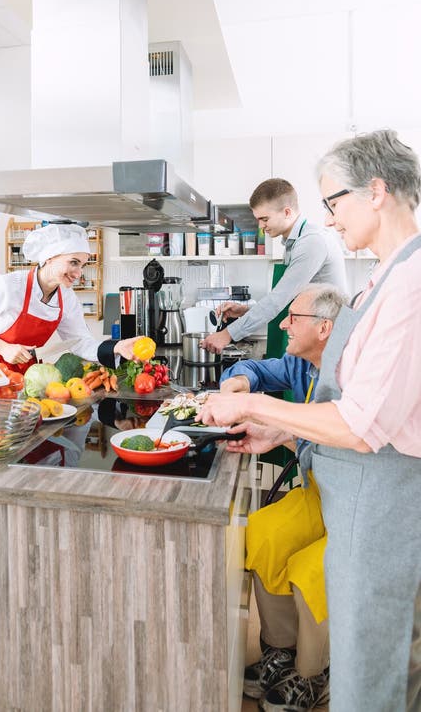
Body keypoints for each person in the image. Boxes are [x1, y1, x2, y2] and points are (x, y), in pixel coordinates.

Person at [198, 130, 421, 712]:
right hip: (354, 500)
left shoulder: (411, 284)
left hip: (381, 504)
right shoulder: (382, 277)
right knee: (358, 660)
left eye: (333, 202)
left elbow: (361, 426)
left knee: (376, 670)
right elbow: (364, 404)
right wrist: (286, 430)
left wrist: (250, 405)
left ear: (376, 191)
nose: (328, 218)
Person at [220, 283, 346, 712]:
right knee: (264, 530)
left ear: (325, 328)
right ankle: (281, 653)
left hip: (354, 502)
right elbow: (258, 371)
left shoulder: (351, 374)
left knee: (311, 567)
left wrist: (281, 432)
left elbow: (347, 441)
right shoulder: (301, 366)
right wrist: (236, 384)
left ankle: (315, 674)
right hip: (318, 491)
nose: (283, 324)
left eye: (295, 317)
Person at [0, 223, 140, 376]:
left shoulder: (67, 298)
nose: (79, 273)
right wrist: (3, 348)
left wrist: (117, 347)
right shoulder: (8, 286)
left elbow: (79, 342)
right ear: (49, 257)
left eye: (82, 265)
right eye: (73, 262)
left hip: (22, 381)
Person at [200, 178, 347, 359]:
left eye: (264, 219)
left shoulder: (311, 242)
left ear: (287, 212)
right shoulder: (295, 242)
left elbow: (279, 300)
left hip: (327, 343)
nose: (261, 227)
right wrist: (245, 310)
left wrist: (227, 334)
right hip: (314, 337)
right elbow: (287, 295)